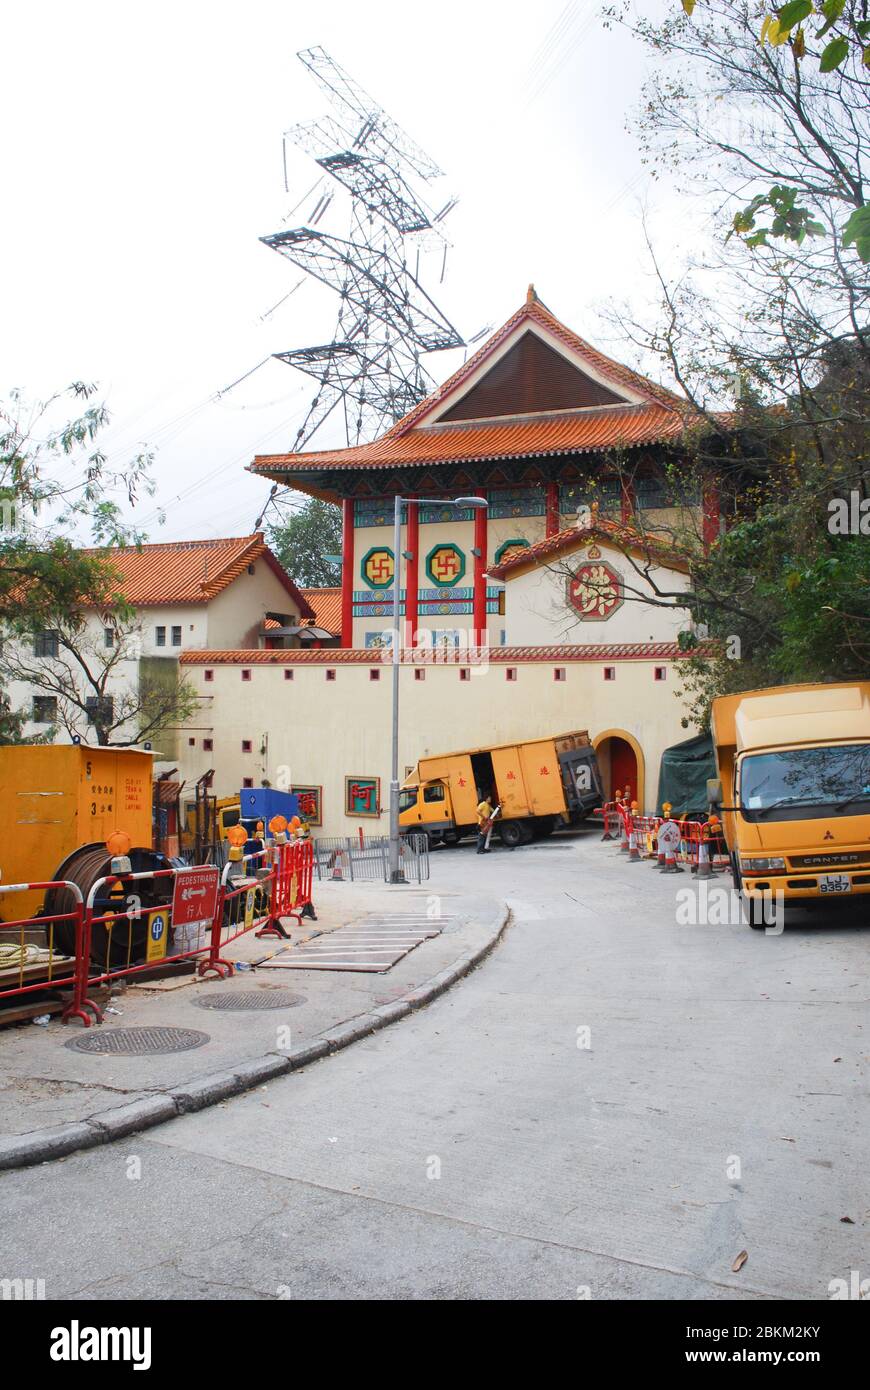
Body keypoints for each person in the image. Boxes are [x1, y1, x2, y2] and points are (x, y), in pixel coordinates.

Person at [476, 789, 494, 855]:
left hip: (486, 823)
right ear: (486, 798)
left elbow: (493, 811)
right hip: (482, 823)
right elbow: (477, 811)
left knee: (484, 836)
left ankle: (483, 849)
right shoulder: (483, 804)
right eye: (489, 798)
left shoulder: (488, 805)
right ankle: (479, 850)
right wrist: (484, 817)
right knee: (481, 836)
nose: (490, 799)